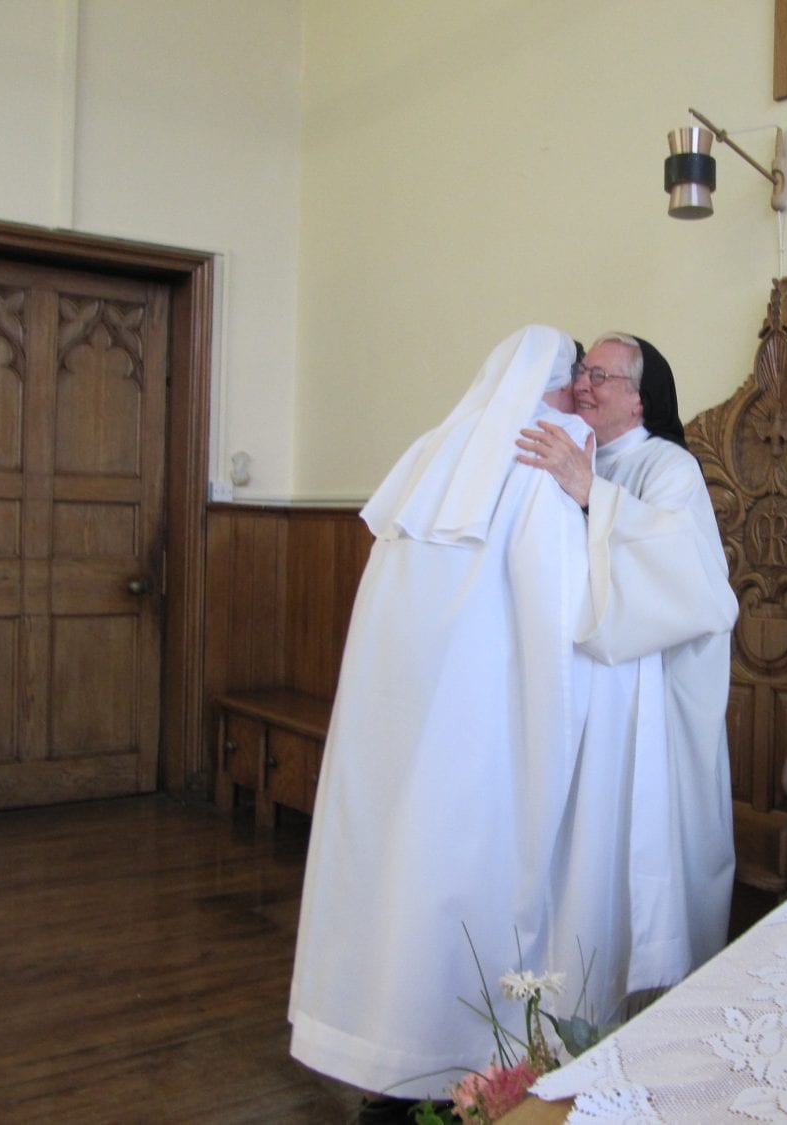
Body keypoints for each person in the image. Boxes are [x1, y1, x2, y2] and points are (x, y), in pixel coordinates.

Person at [288, 325, 602, 1114]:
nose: (583, 396)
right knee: (471, 877)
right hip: (485, 712)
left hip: (398, 707)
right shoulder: (544, 450)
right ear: (556, 381)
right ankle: (460, 1065)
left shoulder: (435, 450)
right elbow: (559, 603)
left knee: (396, 873)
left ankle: (380, 1049)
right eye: (578, 378)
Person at [515, 331, 739, 981]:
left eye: (601, 377)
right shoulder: (575, 452)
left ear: (640, 400)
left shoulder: (667, 467)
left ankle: (660, 979)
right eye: (582, 372)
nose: (583, 385)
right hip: (586, 684)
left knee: (650, 837)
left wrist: (592, 492)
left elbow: (690, 577)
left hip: (660, 693)